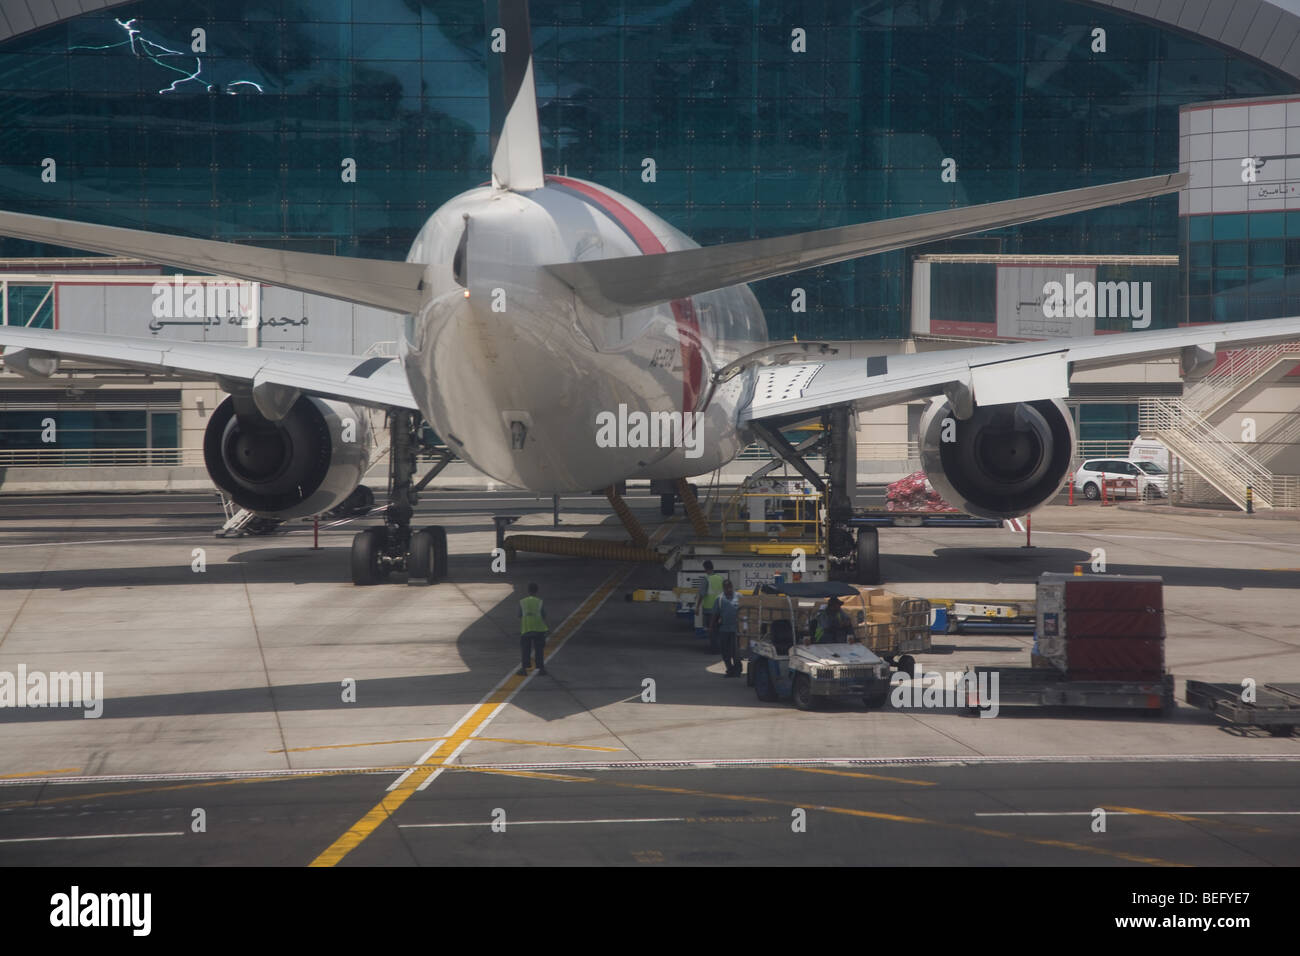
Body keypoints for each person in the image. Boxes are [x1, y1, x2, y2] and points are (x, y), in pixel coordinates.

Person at [518, 582, 549, 676]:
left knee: (525, 650)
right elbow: (544, 615)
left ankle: (524, 669)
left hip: (526, 629)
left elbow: (519, 615)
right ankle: (541, 669)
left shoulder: (522, 602)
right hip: (539, 629)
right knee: (539, 650)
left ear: (528, 591)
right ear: (537, 591)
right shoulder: (539, 602)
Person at [714, 579, 743, 677]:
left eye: (730, 587)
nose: (728, 589)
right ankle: (729, 669)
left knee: (735, 652)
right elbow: (715, 615)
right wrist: (712, 628)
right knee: (725, 652)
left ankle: (738, 670)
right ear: (723, 588)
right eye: (726, 588)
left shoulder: (739, 597)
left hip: (736, 630)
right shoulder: (720, 599)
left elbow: (745, 612)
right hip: (724, 630)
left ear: (732, 587)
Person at [697, 560, 724, 641]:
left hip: (709, 610)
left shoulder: (706, 579)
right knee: (718, 629)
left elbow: (702, 594)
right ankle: (718, 647)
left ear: (705, 569)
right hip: (720, 609)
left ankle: (713, 648)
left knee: (710, 629)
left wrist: (697, 607)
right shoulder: (720, 578)